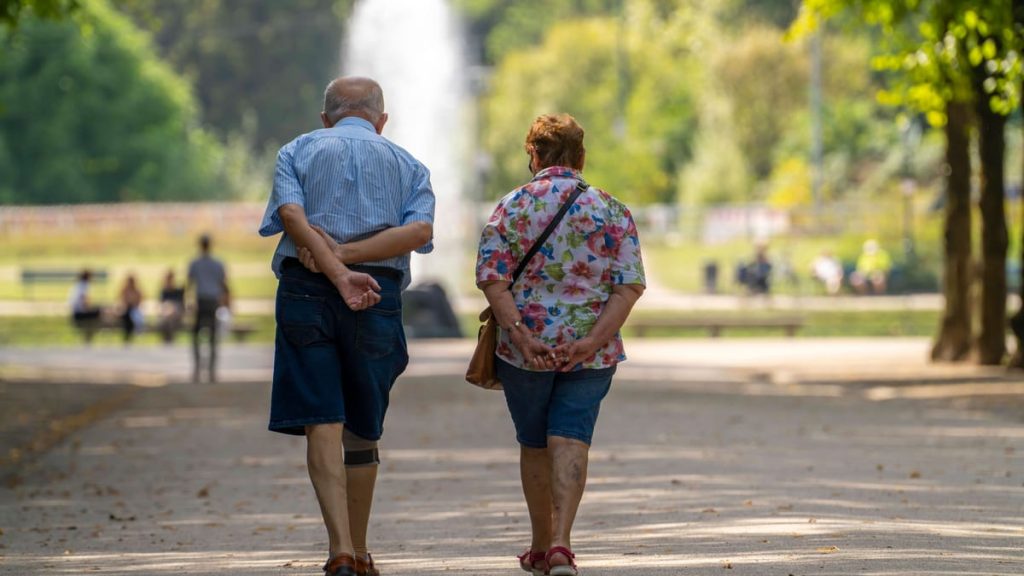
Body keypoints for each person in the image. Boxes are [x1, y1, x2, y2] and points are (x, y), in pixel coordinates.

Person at [258, 76, 435, 576]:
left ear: (325, 118)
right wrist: (350, 261)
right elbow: (420, 231)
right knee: (362, 427)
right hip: (375, 295)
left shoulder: (296, 150)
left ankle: (338, 548)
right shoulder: (408, 164)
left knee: (322, 419)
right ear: (381, 120)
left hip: (306, 290)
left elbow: (291, 215)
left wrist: (331, 259)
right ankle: (359, 549)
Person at [476, 114, 645, 576]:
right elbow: (629, 285)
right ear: (581, 156)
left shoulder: (509, 207)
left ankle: (537, 545)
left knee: (534, 444)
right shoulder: (611, 210)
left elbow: (492, 278)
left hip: (523, 352)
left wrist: (522, 335)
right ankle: (561, 544)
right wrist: (591, 341)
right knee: (572, 438)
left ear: (533, 155)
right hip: (591, 352)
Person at [187, 234, 229, 383]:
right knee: (212, 336)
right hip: (213, 301)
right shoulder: (218, 263)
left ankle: (198, 368)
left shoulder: (195, 263)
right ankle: (211, 371)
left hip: (201, 300)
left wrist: (188, 303)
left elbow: (190, 283)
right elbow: (223, 283)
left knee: (196, 335)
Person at [157, 269, 186, 344]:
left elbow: (181, 303)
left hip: (175, 312)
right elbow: (162, 303)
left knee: (170, 317)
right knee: (166, 318)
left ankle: (169, 339)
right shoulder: (164, 291)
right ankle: (167, 339)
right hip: (166, 311)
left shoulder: (178, 290)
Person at [118, 273, 143, 344]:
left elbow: (138, 302)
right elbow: (123, 301)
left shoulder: (137, 291)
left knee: (133, 316)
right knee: (126, 315)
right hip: (126, 310)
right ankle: (127, 336)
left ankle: (130, 335)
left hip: (134, 310)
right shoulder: (124, 290)